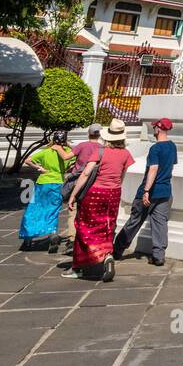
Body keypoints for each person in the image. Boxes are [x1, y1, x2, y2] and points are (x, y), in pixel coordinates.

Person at [62, 117, 135, 281]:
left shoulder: (100, 151)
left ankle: (80, 266)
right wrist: (113, 188)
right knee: (107, 226)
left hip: (96, 193)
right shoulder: (126, 154)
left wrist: (73, 195)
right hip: (114, 193)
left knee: (84, 227)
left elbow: (86, 174)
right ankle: (107, 253)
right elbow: (121, 177)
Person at [113, 119, 177, 267]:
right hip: (165, 191)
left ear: (159, 129)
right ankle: (159, 255)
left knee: (134, 221)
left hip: (150, 191)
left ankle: (117, 250)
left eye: (154, 127)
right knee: (160, 223)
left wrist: (147, 190)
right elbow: (170, 165)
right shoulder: (172, 146)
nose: (153, 129)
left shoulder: (155, 149)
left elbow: (153, 169)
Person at [19, 132, 74, 253]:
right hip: (58, 183)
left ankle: (28, 237)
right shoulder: (66, 153)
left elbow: (28, 160)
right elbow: (78, 156)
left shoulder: (46, 152)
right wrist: (68, 146)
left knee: (33, 209)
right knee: (53, 210)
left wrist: (40, 168)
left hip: (42, 183)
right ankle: (52, 233)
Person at [61, 124, 103, 250]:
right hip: (93, 183)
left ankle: (72, 239)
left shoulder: (82, 145)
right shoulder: (102, 148)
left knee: (73, 210)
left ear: (88, 133)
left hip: (77, 182)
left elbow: (66, 157)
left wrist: (58, 147)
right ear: (100, 135)